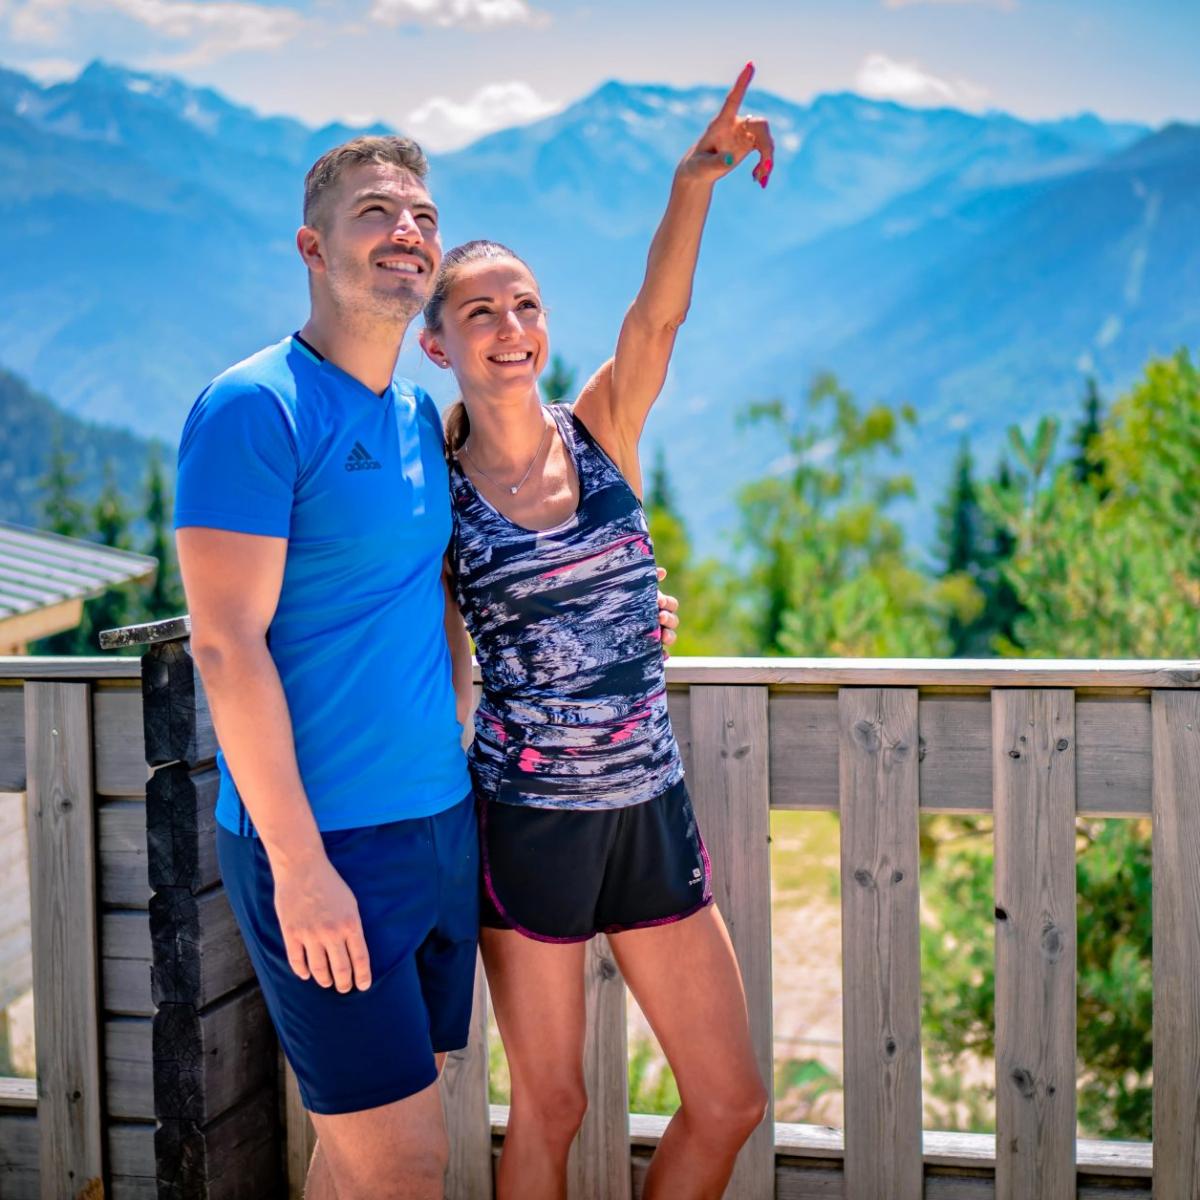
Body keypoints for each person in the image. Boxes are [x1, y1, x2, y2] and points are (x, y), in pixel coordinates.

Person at [173, 133, 680, 1199]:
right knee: (406, 1164)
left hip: (441, 826)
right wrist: (300, 866)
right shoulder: (252, 408)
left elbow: (470, 588)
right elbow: (223, 644)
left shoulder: (416, 421)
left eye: (421, 216)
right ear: (313, 247)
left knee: (364, 1158)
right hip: (323, 846)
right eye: (374, 214)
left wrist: (619, 613)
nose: (407, 232)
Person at [419, 63, 773, 1200]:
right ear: (439, 346)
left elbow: (657, 315)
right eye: (480, 310)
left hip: (649, 806)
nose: (511, 326)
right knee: (555, 1106)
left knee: (728, 1103)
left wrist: (694, 183)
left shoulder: (601, 428)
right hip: (530, 825)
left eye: (525, 304)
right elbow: (427, 653)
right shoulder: (434, 496)